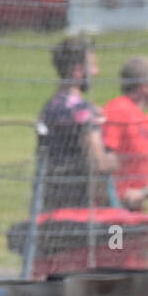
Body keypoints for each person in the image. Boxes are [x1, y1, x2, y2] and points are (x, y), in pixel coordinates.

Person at [37, 38, 119, 211]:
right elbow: (99, 163)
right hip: (81, 207)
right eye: (93, 66)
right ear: (77, 71)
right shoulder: (83, 111)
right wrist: (118, 158)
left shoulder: (49, 108)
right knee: (118, 234)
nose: (97, 72)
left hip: (51, 202)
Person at [102, 57, 148, 212]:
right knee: (115, 237)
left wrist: (143, 192)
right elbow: (104, 160)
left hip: (137, 208)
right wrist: (116, 198)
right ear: (144, 86)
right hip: (114, 210)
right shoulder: (118, 110)